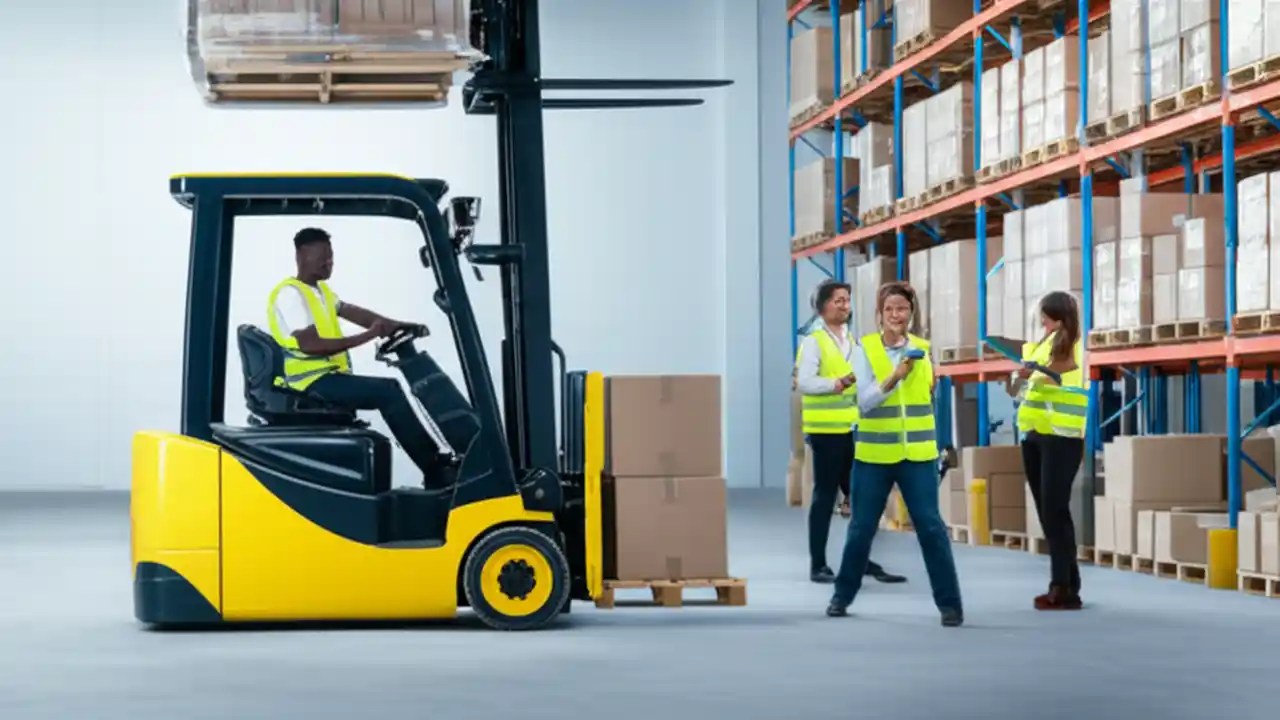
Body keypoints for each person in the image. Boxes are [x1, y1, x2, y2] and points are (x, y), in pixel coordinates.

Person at [825, 281, 963, 627]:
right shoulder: (865, 349)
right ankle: (842, 596)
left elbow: (929, 398)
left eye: (901, 308)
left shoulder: (923, 350)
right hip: (874, 457)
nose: (895, 315)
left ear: (911, 313)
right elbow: (864, 401)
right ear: (880, 314)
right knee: (861, 528)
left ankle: (950, 605)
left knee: (931, 528)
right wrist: (895, 377)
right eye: (889, 309)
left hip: (917, 456)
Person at [267, 227, 443, 476]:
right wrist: (370, 335)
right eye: (323, 256)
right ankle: (435, 468)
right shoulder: (290, 295)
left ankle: (435, 463)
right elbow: (311, 345)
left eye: (331, 257)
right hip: (309, 383)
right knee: (388, 391)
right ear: (302, 255)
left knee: (388, 390)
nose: (329, 262)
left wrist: (398, 326)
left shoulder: (321, 292)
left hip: (327, 378)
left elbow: (357, 313)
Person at [795, 279, 907, 586]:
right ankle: (818, 564)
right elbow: (804, 381)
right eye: (838, 300)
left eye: (847, 300)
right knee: (825, 496)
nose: (845, 306)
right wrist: (835, 383)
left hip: (853, 429)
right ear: (822, 306)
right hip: (826, 431)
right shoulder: (814, 342)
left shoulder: (853, 342)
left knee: (860, 498)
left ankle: (861, 560)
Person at [1005, 291, 1088, 611]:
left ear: (1060, 317)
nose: (1043, 321)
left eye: (1047, 316)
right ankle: (1069, 581)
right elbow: (1020, 389)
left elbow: (1062, 372)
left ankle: (1062, 587)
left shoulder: (1075, 345)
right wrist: (1019, 376)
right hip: (1035, 435)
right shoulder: (1040, 345)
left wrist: (1035, 372)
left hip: (1062, 437)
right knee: (1046, 510)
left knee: (1055, 510)